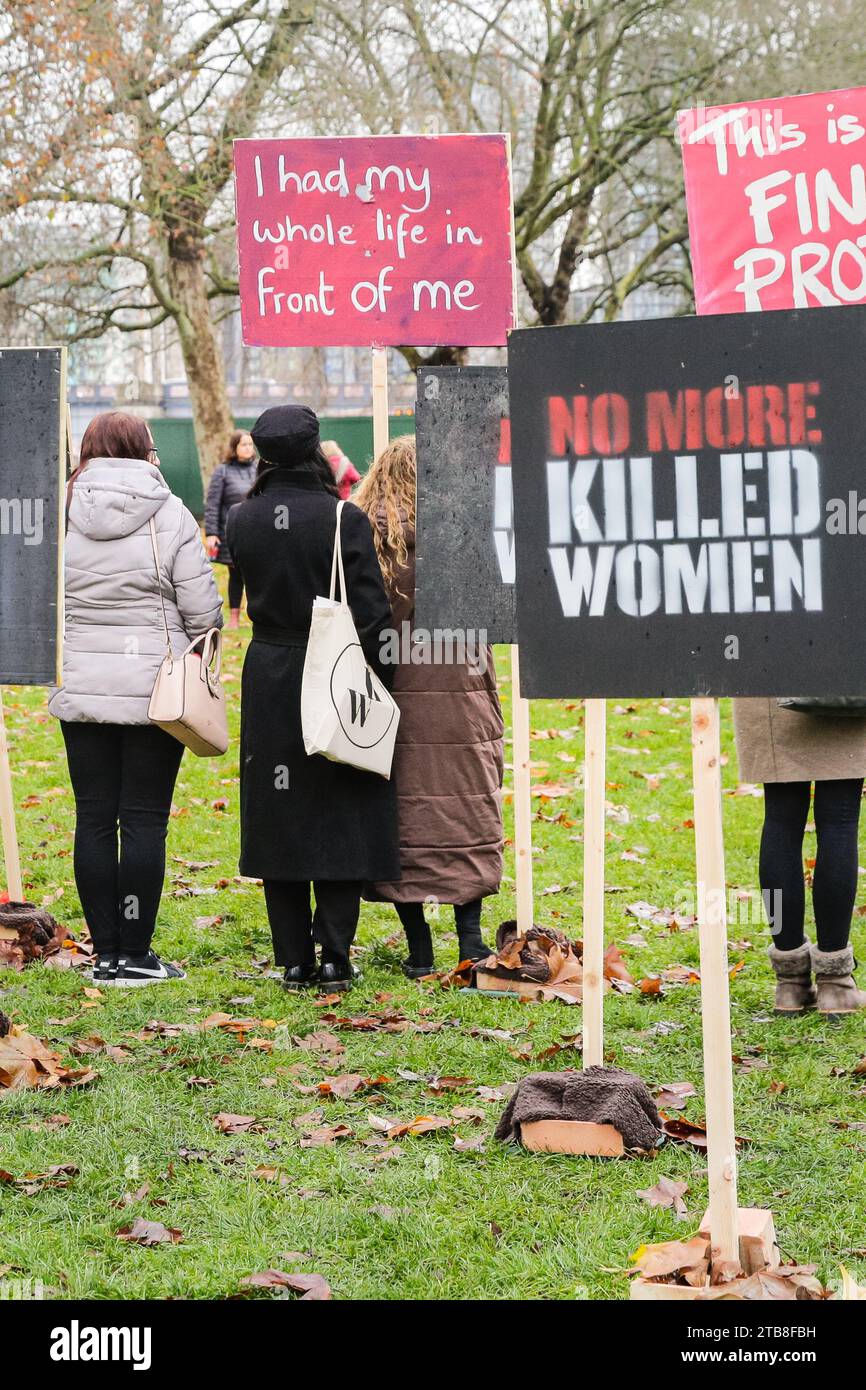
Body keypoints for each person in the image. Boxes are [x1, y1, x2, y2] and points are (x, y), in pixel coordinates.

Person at [225, 404, 400, 992]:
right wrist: (379, 683)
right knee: (338, 807)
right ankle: (335, 956)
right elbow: (373, 616)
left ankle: (294, 958)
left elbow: (246, 596)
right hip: (332, 668)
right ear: (316, 450)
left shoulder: (243, 519)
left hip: (270, 671)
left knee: (280, 813)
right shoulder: (342, 519)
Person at [49, 411, 223, 987]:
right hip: (155, 690)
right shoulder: (170, 513)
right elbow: (203, 613)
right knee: (144, 821)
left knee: (93, 819)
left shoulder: (59, 511)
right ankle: (137, 955)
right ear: (145, 448)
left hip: (81, 686)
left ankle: (103, 954)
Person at [355, 435, 505, 976]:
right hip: (460, 695)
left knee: (403, 814)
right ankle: (471, 941)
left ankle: (419, 950)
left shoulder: (362, 536)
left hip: (389, 694)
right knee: (465, 807)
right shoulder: (462, 532)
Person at [734, 698, 866, 1016]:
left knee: (780, 819)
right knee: (840, 822)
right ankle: (836, 984)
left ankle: (790, 983)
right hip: (837, 677)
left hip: (768, 681)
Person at [204, 429, 257, 628]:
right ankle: (234, 618)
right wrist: (211, 534)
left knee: (255, 575)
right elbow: (212, 504)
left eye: (251, 444)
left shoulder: (259, 469)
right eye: (244, 444)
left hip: (255, 531)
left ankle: (255, 616)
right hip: (231, 532)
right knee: (236, 575)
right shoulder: (223, 471)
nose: (248, 448)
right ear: (234, 447)